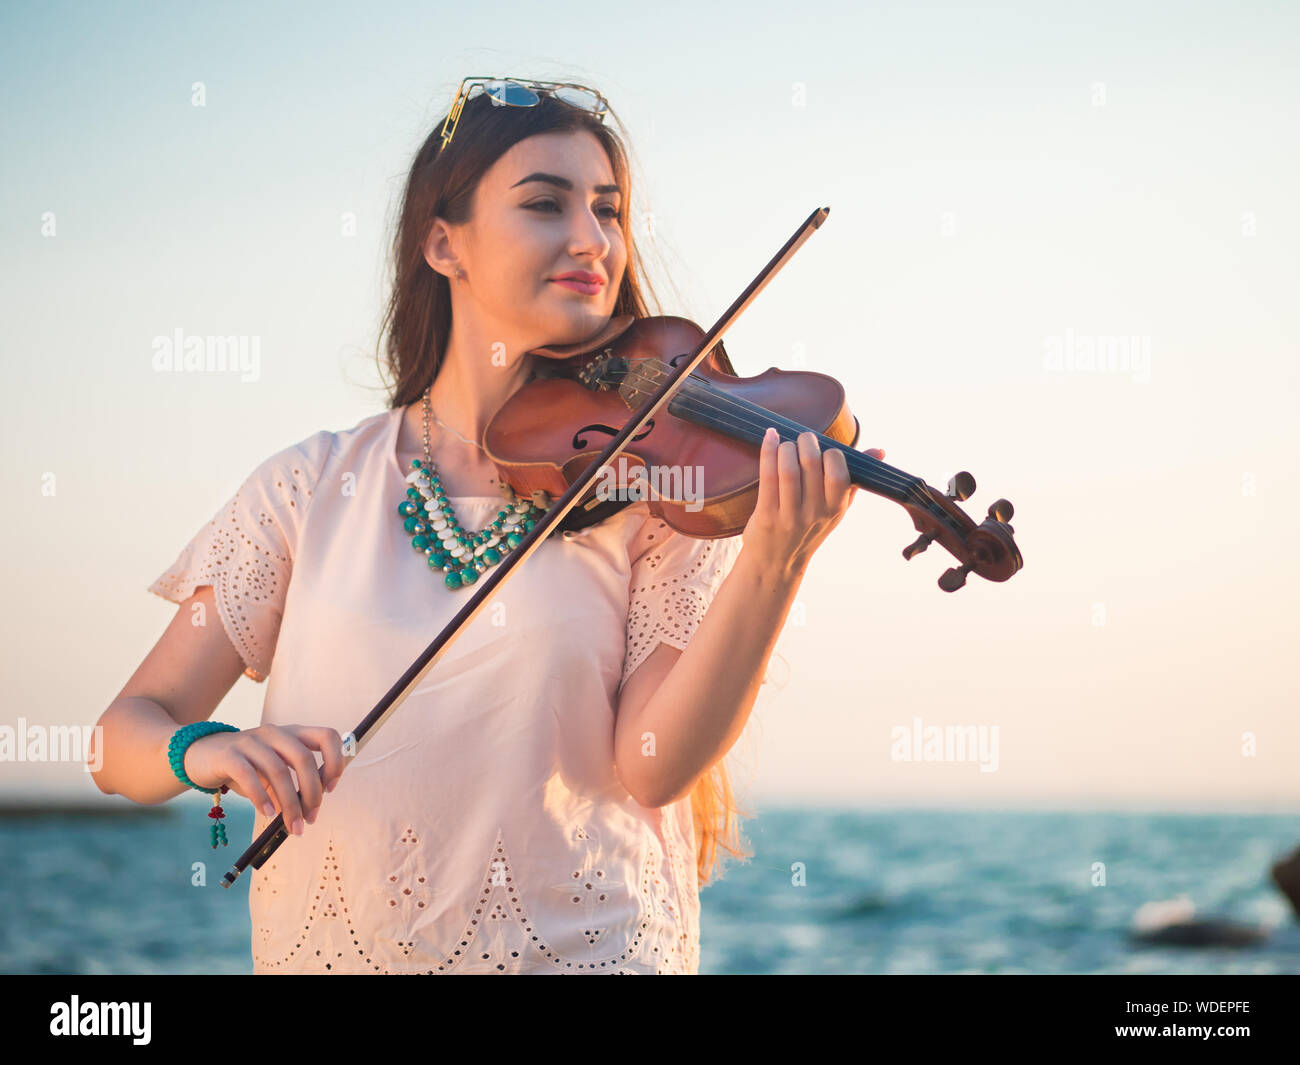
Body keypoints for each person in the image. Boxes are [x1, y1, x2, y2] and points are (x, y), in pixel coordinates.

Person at [88, 77, 879, 973]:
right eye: (545, 203)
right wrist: (210, 749)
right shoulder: (310, 488)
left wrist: (774, 563)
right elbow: (122, 738)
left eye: (610, 211)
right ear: (442, 241)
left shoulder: (655, 494)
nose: (593, 240)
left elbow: (654, 765)